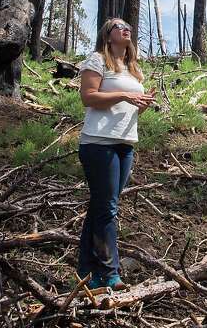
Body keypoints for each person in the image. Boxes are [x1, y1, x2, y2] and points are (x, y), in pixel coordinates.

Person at [77, 18, 155, 290]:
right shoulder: (97, 60)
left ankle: (87, 271)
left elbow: (131, 109)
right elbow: (88, 97)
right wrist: (123, 95)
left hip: (125, 144)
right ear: (108, 36)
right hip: (98, 144)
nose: (126, 29)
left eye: (128, 27)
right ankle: (110, 273)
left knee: (101, 207)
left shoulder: (134, 70)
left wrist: (141, 104)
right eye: (118, 26)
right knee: (107, 209)